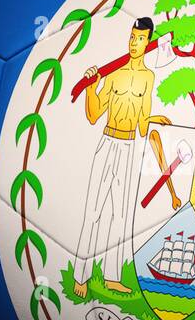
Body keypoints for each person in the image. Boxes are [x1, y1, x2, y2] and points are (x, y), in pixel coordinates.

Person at [72, 18, 169, 298]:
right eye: (132, 37)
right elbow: (92, 115)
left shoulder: (148, 78)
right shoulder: (113, 75)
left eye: (140, 39)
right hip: (108, 142)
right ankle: (82, 275)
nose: (134, 43)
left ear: (148, 42)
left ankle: (112, 275)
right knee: (94, 209)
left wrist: (154, 120)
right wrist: (92, 86)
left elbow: (141, 124)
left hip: (129, 147)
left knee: (122, 213)